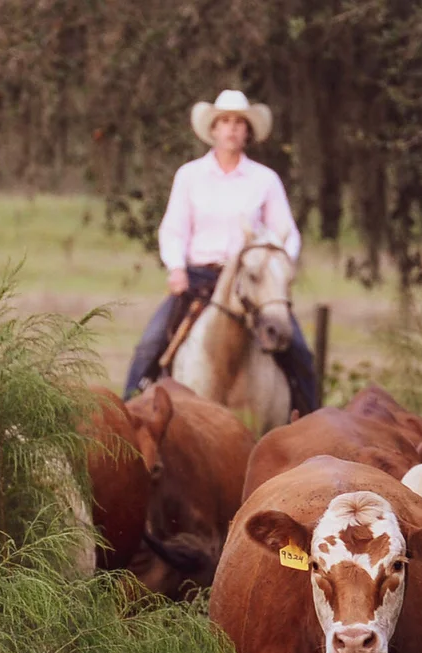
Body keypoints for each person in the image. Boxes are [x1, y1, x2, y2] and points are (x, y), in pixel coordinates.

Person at [123, 89, 318, 412]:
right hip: (200, 279)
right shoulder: (190, 176)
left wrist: (279, 271)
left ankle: (308, 424)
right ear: (213, 130)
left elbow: (288, 235)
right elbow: (174, 229)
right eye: (225, 121)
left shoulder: (265, 180)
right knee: (149, 346)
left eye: (239, 123)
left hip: (252, 282)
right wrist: (176, 268)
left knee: (298, 351)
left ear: (248, 132)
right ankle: (129, 418)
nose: (232, 128)